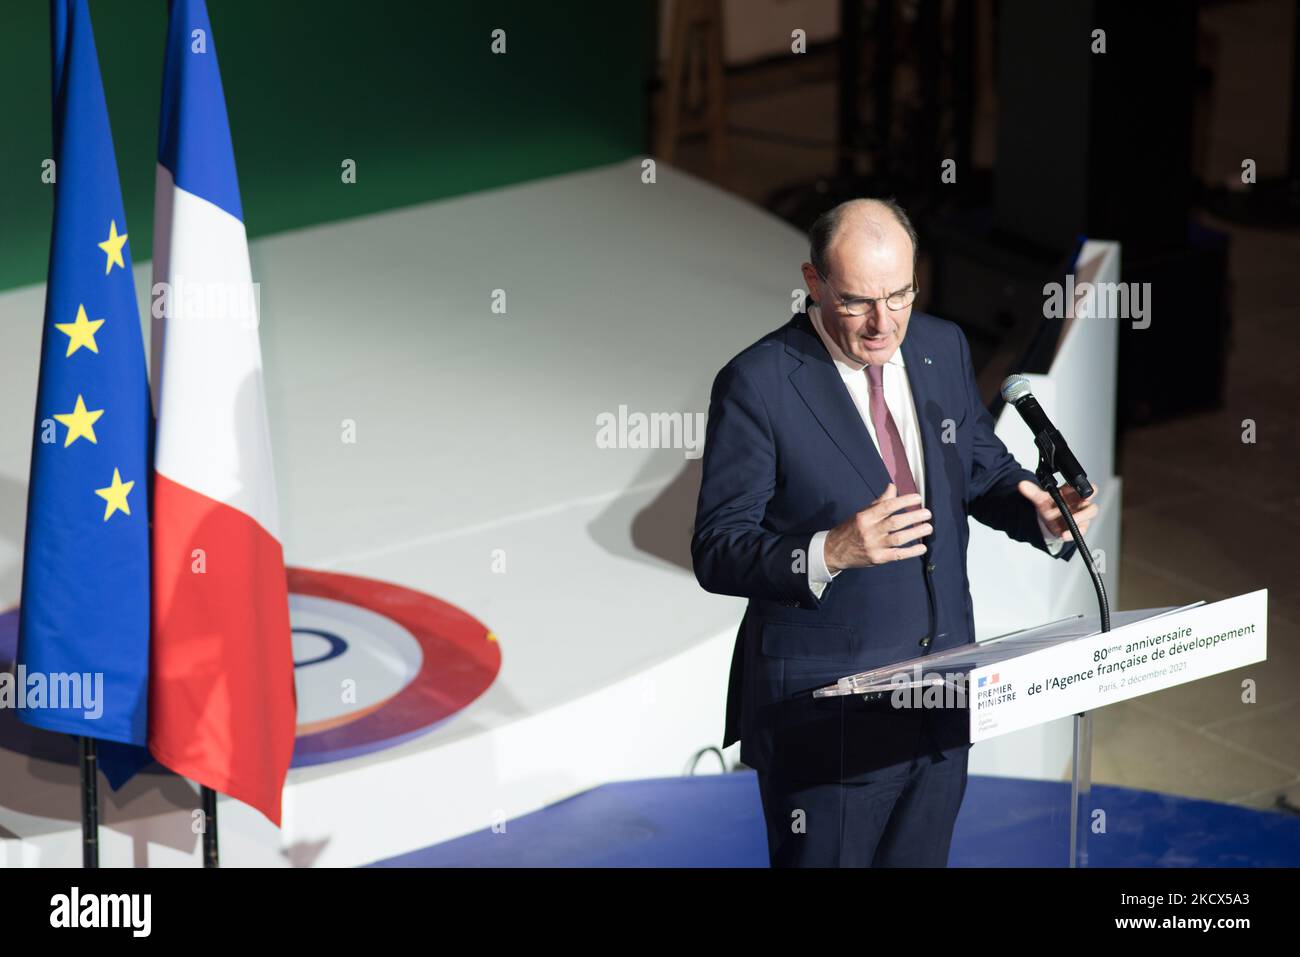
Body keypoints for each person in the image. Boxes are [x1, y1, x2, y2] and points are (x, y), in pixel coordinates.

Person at [690, 198, 1098, 867]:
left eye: (901, 294)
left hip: (942, 702)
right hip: (829, 722)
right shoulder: (758, 384)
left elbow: (976, 465)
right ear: (814, 281)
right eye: (856, 301)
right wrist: (831, 550)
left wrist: (1036, 510)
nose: (885, 323)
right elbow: (717, 547)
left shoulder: (940, 346)